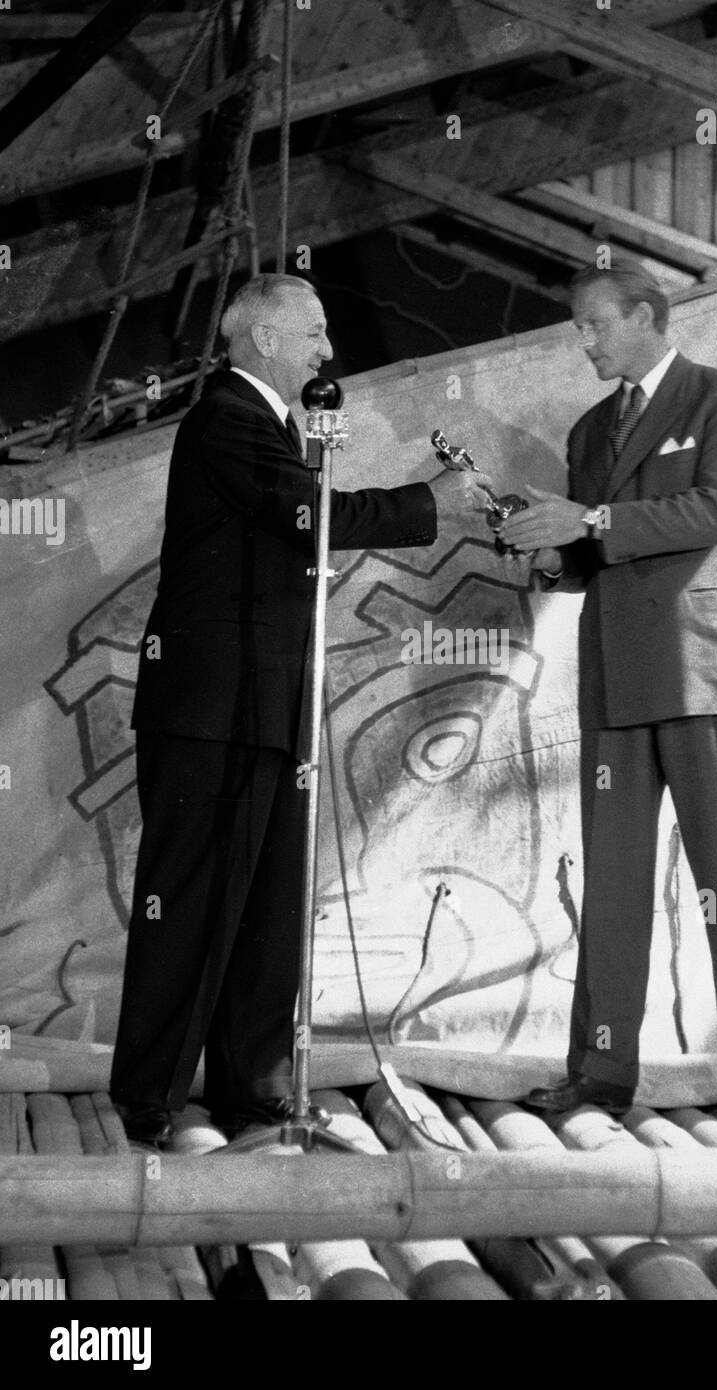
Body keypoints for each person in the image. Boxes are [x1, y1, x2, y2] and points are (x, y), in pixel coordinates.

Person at [110, 273, 491, 1145]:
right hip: (212, 709)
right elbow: (305, 513)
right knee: (192, 899)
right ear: (266, 340)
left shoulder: (273, 427)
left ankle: (253, 1084)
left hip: (266, 702)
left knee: (267, 903)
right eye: (314, 333)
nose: (328, 351)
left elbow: (301, 518)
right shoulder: (225, 420)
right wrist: (431, 500)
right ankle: (150, 1097)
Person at [499, 258, 717, 1125]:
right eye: (577, 328)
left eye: (594, 325)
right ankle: (600, 1071)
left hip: (707, 669)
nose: (582, 341)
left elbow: (711, 513)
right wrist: (546, 550)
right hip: (617, 678)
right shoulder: (590, 432)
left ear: (645, 314)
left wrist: (586, 520)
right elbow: (592, 558)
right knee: (614, 881)